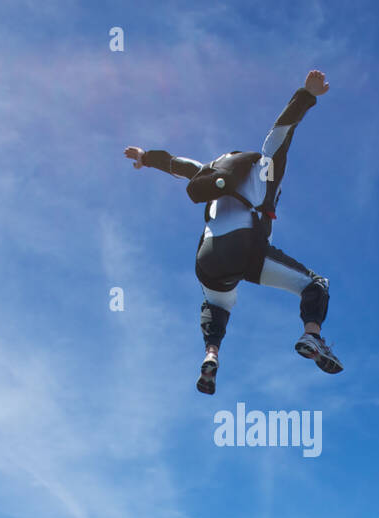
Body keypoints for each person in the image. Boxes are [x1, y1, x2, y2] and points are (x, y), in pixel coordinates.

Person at [124, 70, 342, 395]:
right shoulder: (263, 167)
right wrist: (306, 95)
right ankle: (311, 334)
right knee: (315, 285)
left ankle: (211, 355)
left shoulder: (207, 172)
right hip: (245, 251)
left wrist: (145, 157)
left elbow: (175, 163)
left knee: (218, 303)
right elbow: (279, 134)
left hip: (206, 260)